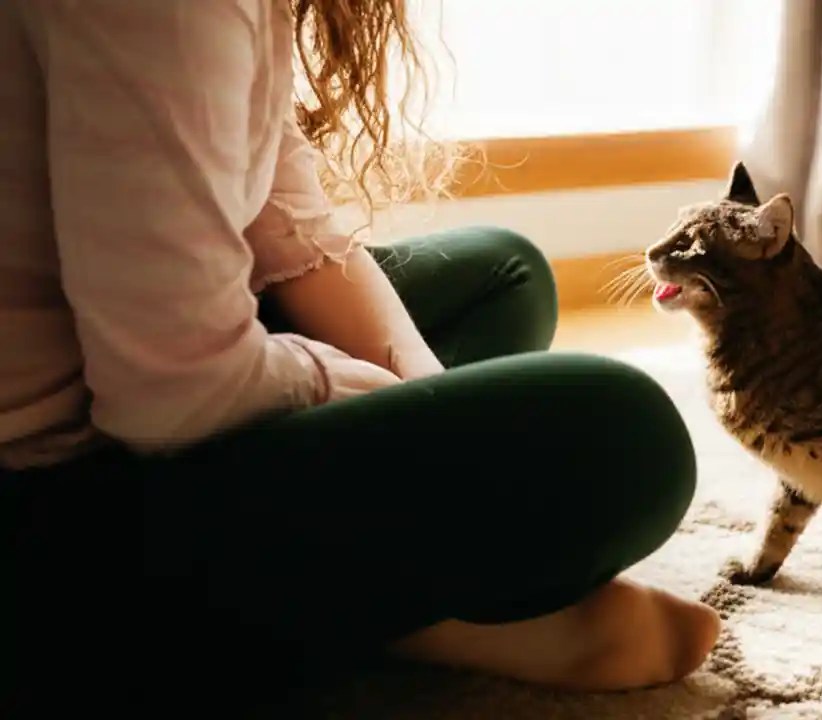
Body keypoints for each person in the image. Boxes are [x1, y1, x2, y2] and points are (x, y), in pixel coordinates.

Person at [0, 0, 719, 712]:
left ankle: (359, 588)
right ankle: (408, 616)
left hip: (128, 377)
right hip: (48, 497)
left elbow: (293, 229)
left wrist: (429, 415)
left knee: (505, 276)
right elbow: (173, 398)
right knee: (626, 436)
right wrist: (382, 414)